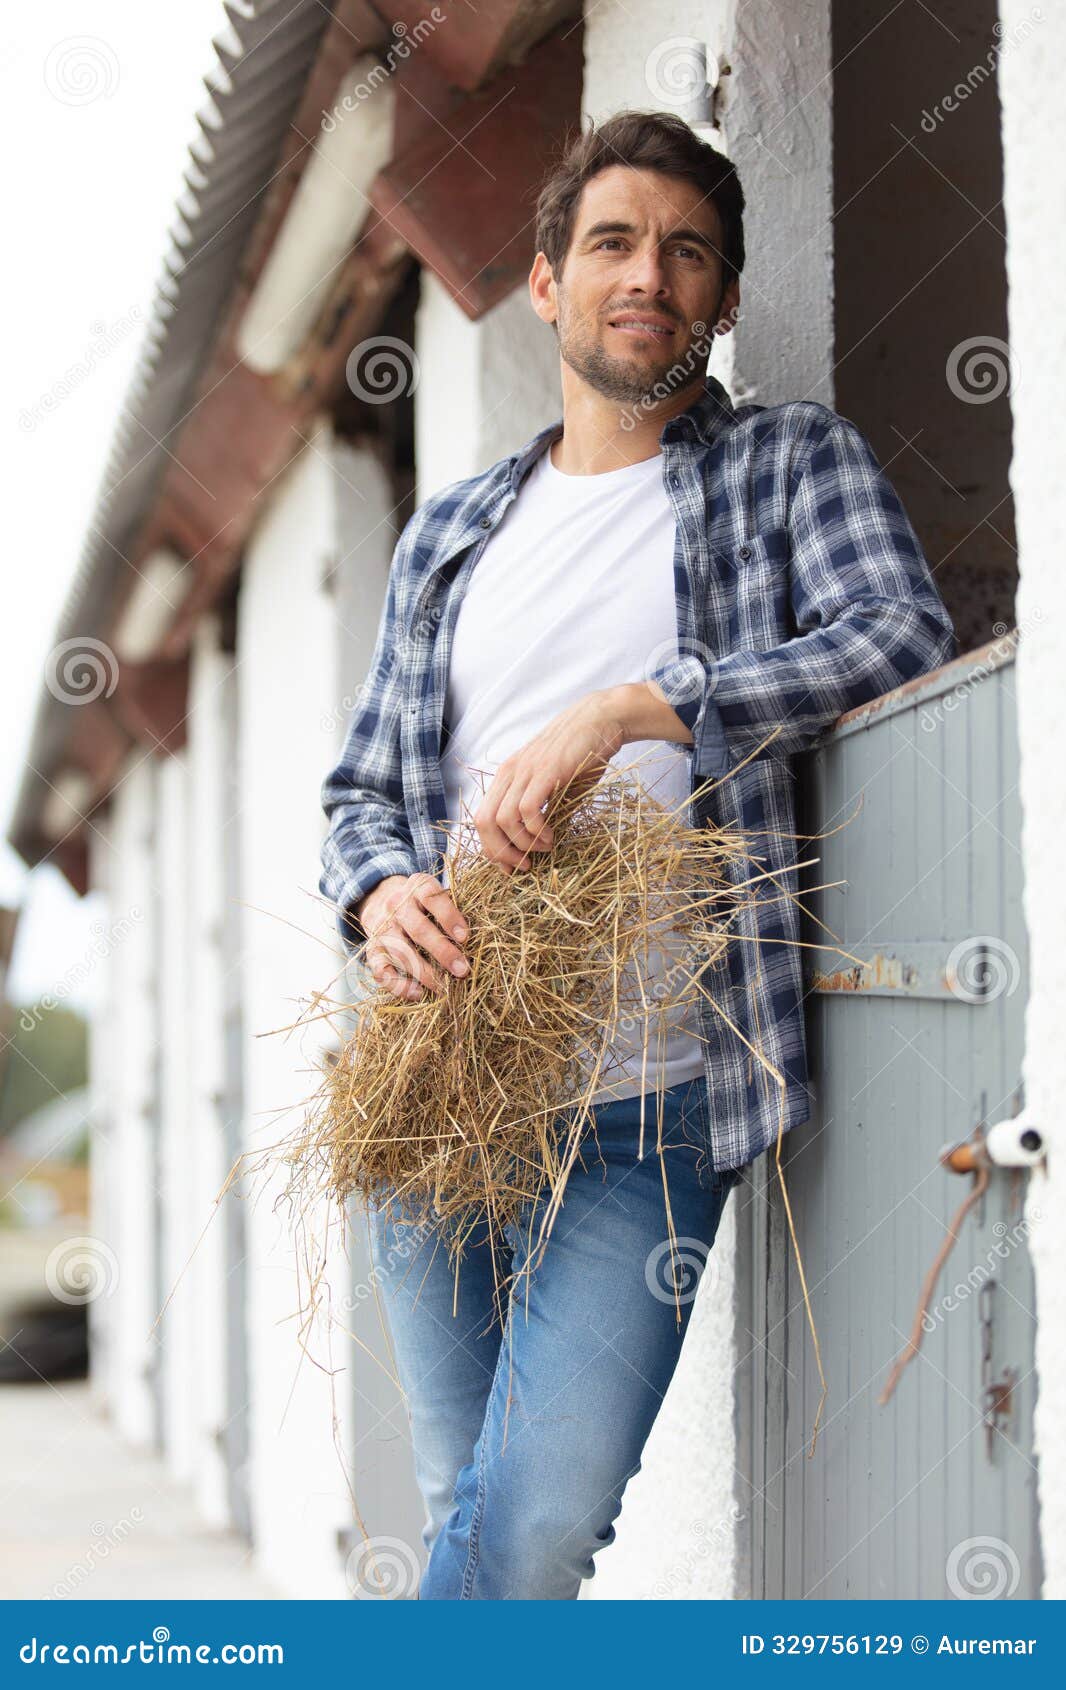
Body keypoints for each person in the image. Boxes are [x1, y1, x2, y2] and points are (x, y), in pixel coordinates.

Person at [319, 111, 955, 1600]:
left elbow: (897, 633)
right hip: (436, 1072)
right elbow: (360, 791)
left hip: (653, 1100)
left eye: (685, 252)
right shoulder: (454, 532)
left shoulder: (788, 463)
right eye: (609, 241)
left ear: (723, 299)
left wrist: (642, 705)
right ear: (545, 282)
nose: (645, 275)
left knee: (534, 1525)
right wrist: (378, 889)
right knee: (456, 1492)